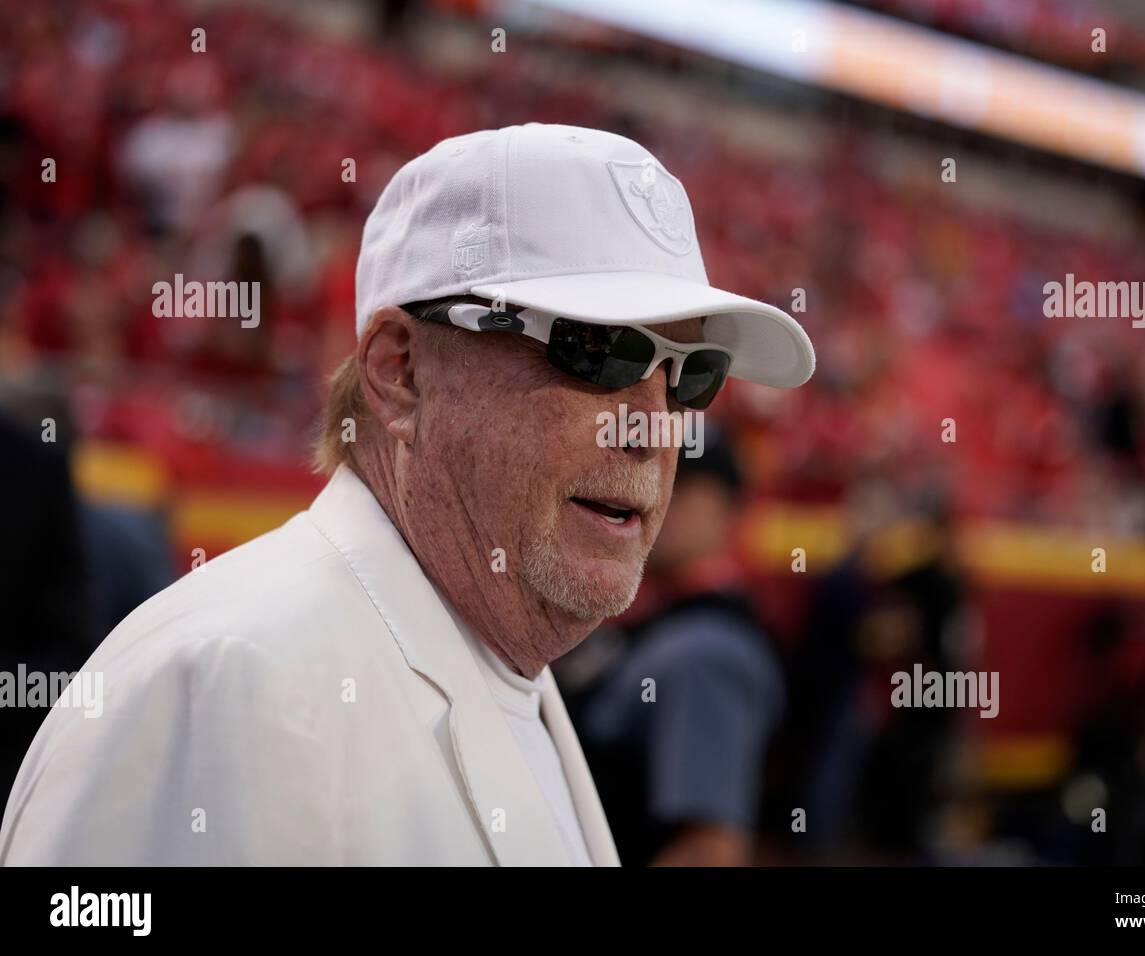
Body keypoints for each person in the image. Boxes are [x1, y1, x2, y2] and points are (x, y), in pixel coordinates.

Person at [0, 123, 814, 865]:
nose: (652, 427)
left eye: (689, 374)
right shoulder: (225, 689)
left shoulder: (511, 670)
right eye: (598, 352)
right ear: (401, 371)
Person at [568, 438, 785, 866]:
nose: (655, 495)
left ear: (730, 512)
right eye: (647, 475)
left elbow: (709, 851)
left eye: (682, 486)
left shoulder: (704, 652)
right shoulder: (644, 623)